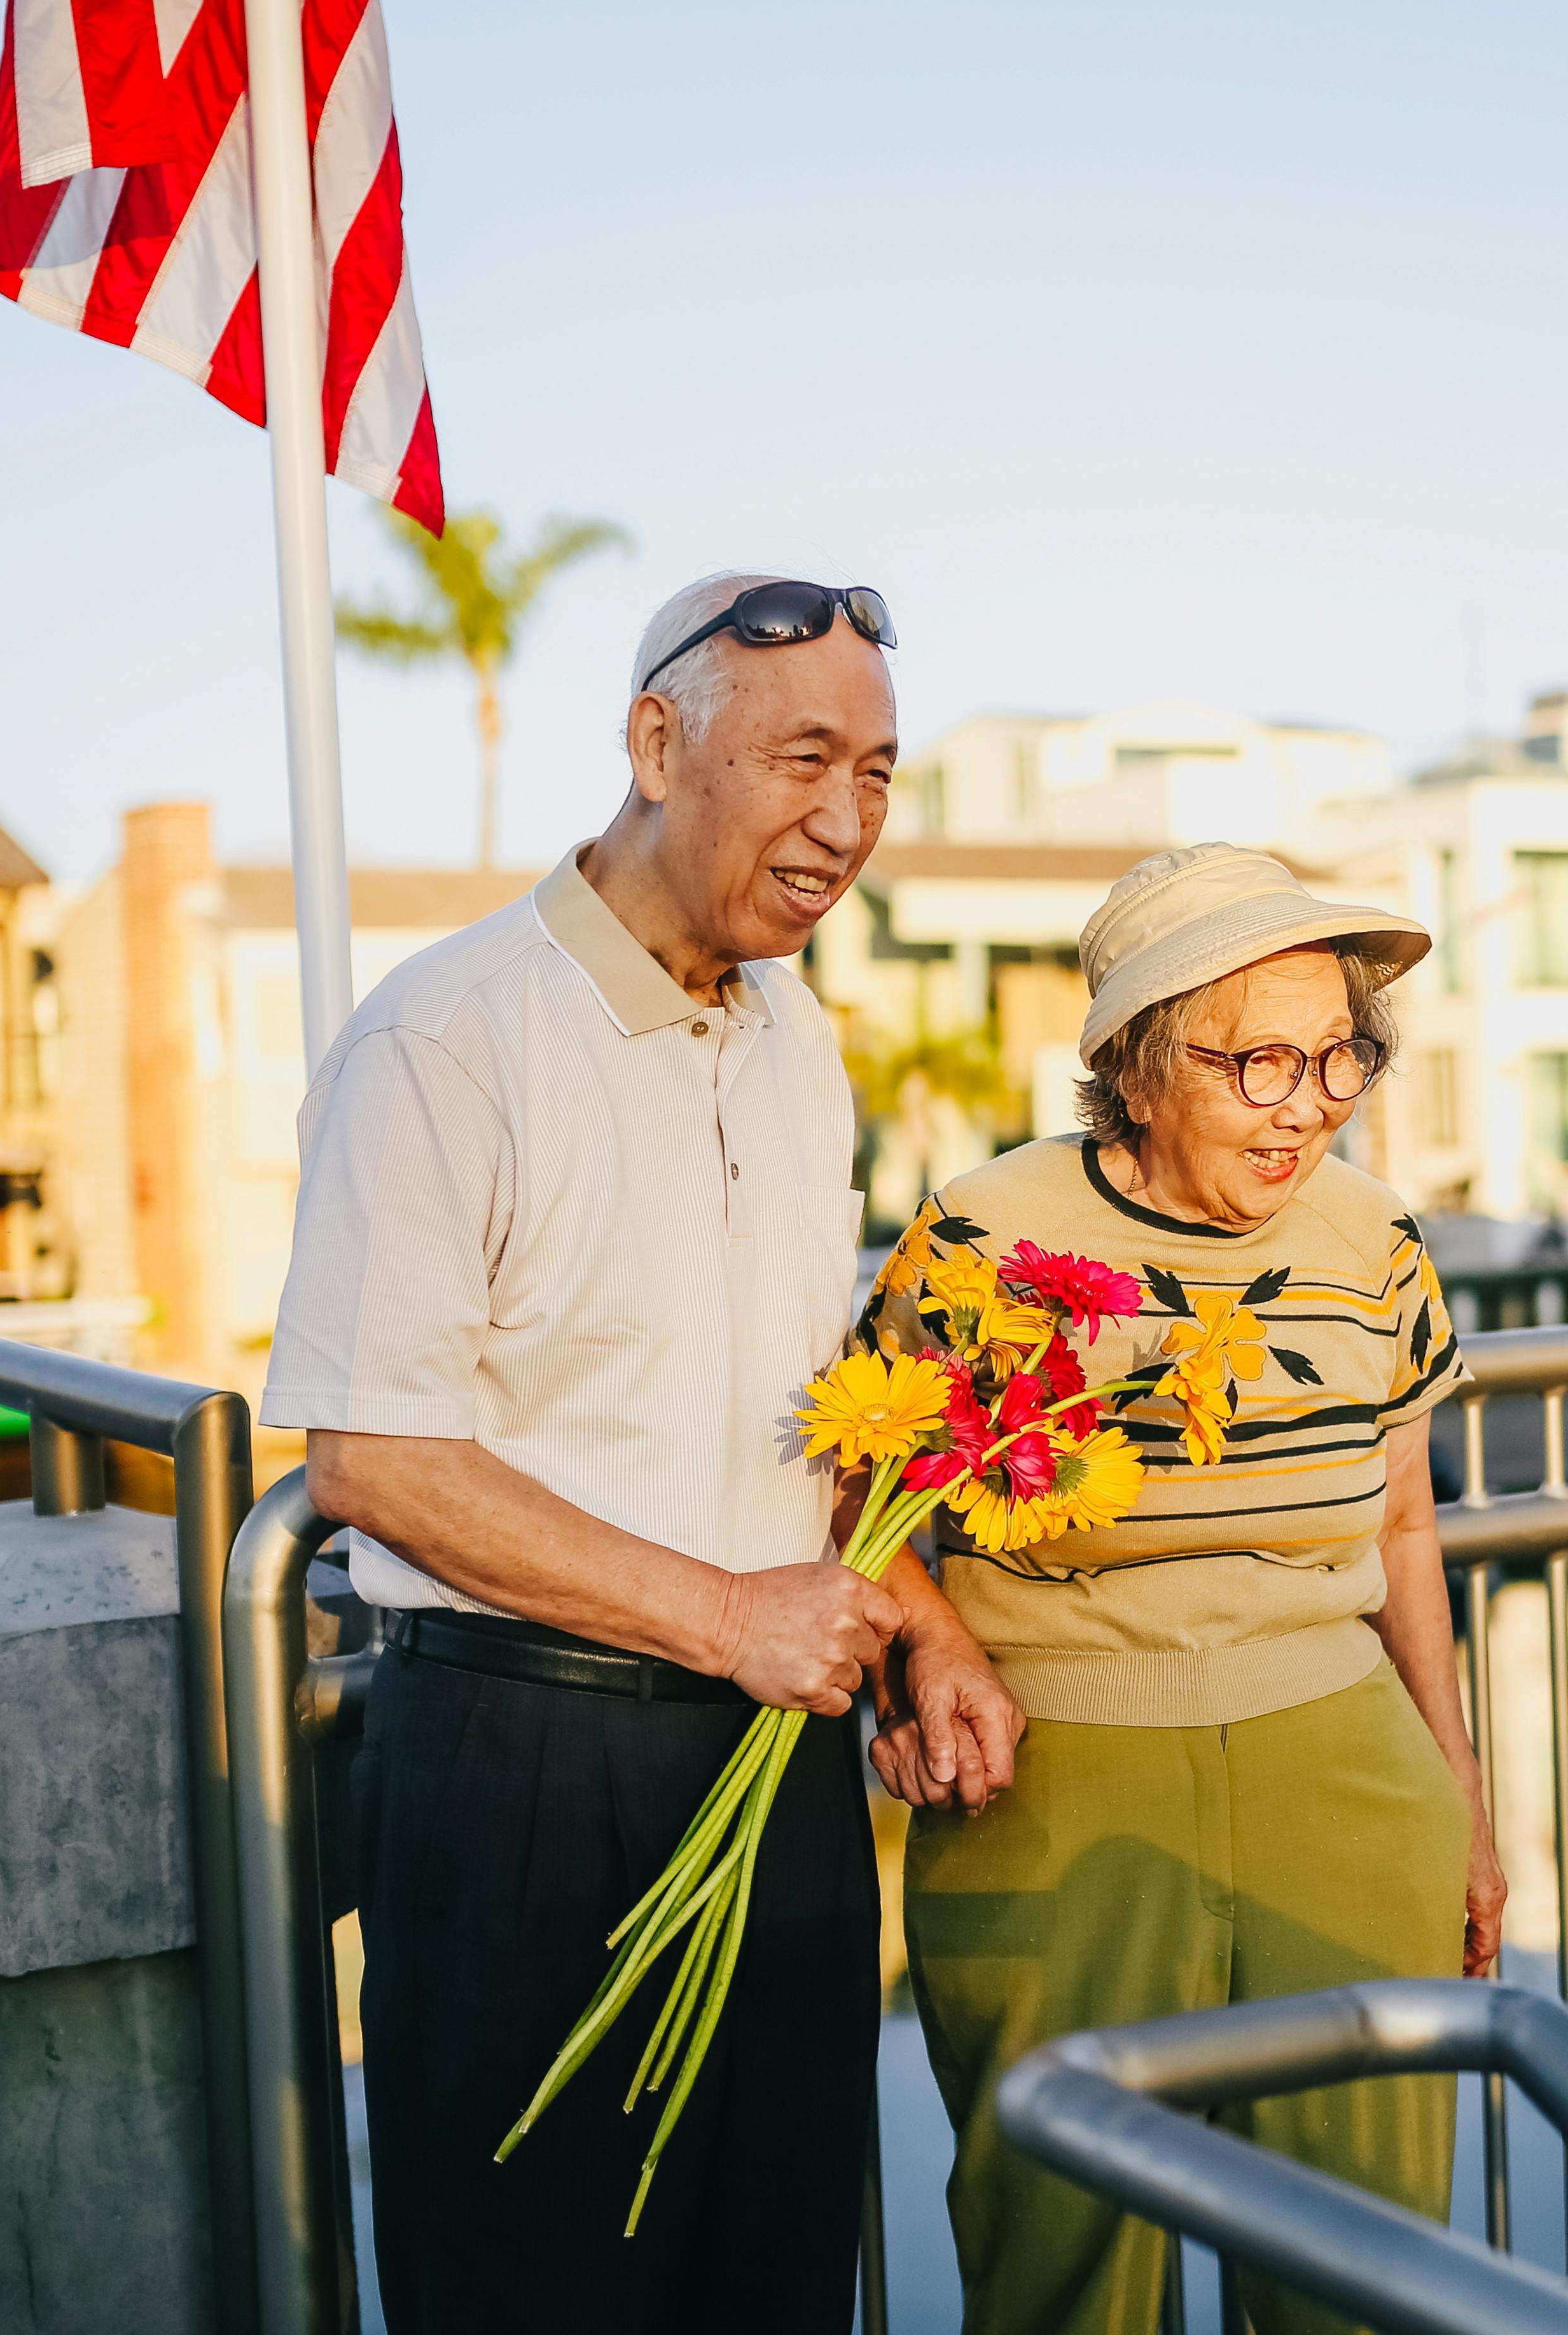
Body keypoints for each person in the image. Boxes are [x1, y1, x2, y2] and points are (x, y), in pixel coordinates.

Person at [263, 572, 1025, 2333]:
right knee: (536, 2296)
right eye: (805, 761)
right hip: (517, 1769)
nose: (847, 825)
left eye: (883, 775)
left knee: (775, 2283)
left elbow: (790, 1407)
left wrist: (920, 1620)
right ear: (655, 743)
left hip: (775, 1774)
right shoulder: (447, 1038)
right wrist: (725, 1618)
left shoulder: (802, 1039)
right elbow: (375, 1458)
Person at [861, 842, 1509, 2335]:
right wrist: (926, 1658)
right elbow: (859, 1493)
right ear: (1135, 1069)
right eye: (1253, 1062)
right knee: (1062, 2264)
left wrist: (1460, 1798)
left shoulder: (1376, 1241)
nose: (1307, 1103)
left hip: (1347, 1773)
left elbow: (1403, 1525)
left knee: (1362, 2275)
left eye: (1338, 1053)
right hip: (1053, 1777)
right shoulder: (984, 1232)